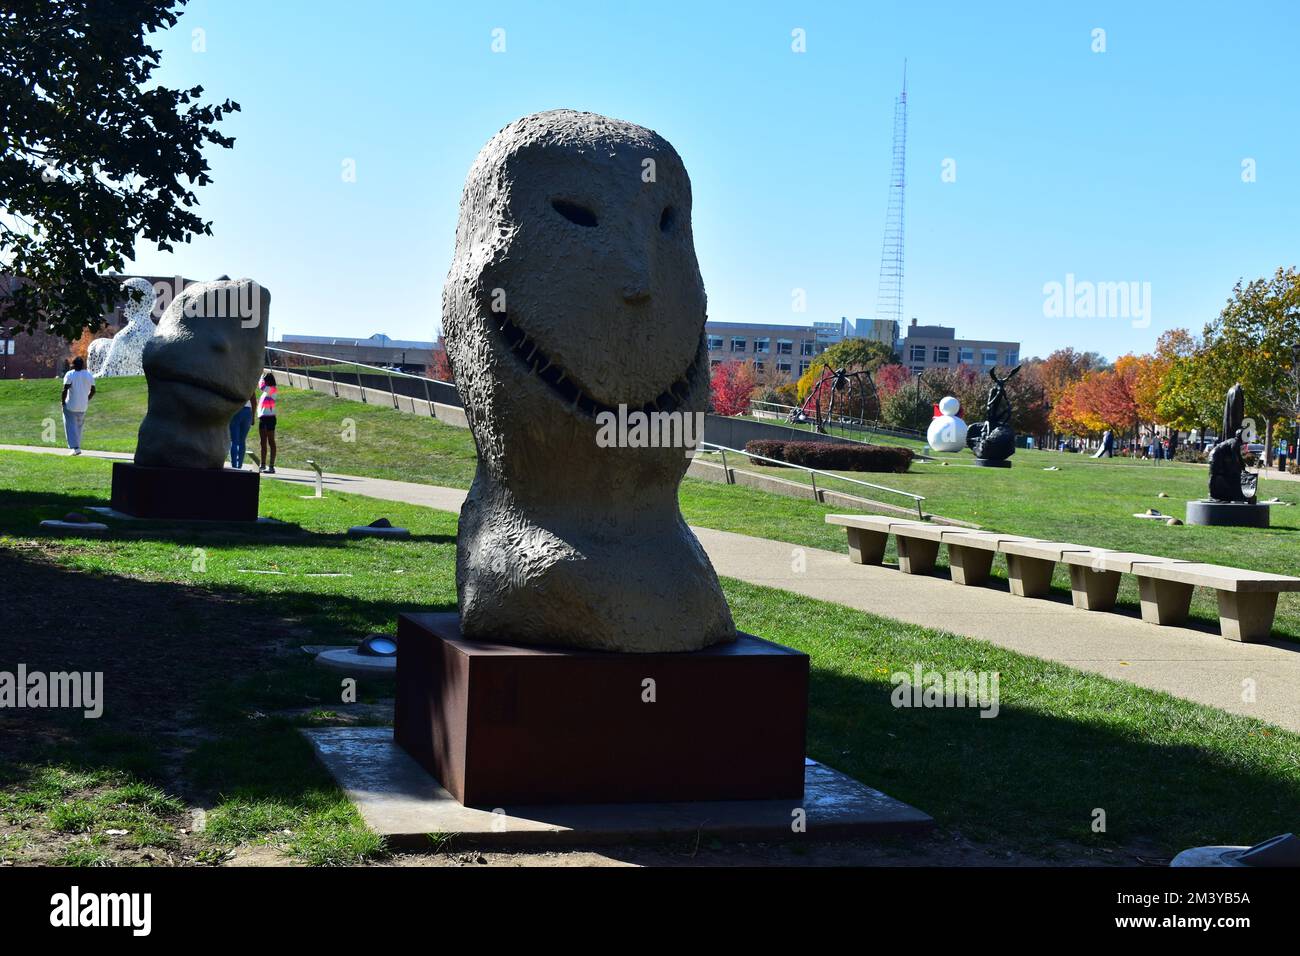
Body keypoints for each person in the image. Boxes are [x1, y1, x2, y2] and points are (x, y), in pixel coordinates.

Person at [60, 356, 95, 455]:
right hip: (83, 406)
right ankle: (77, 446)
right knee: (79, 427)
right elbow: (93, 390)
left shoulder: (70, 374)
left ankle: (75, 448)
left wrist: (63, 402)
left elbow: (65, 389)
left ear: (73, 365)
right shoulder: (89, 375)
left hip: (71, 405)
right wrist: (86, 399)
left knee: (70, 426)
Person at [257, 372, 278, 474]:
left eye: (265, 379)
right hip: (263, 418)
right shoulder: (265, 392)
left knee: (271, 441)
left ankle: (271, 466)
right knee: (263, 442)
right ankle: (262, 465)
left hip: (270, 418)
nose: (264, 381)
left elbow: (261, 386)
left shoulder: (273, 389)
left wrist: (260, 375)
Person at [229, 393, 254, 469]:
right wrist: (253, 416)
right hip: (247, 411)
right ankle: (239, 465)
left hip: (236, 410)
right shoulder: (249, 385)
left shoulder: (234, 384)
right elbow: (254, 401)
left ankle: (234, 465)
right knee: (242, 441)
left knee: (234, 441)